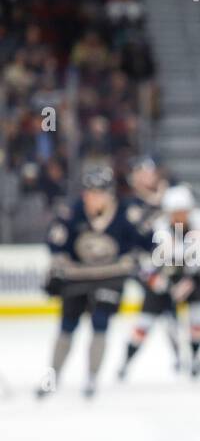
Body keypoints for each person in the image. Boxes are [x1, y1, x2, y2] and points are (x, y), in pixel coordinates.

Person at [37, 164, 156, 399]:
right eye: (90, 192)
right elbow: (55, 244)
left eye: (99, 192)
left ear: (110, 193)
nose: (94, 198)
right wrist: (58, 268)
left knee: (100, 323)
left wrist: (137, 259)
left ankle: (92, 378)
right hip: (77, 278)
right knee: (67, 326)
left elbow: (149, 242)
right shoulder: (71, 213)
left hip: (110, 278)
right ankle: (54, 375)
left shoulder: (127, 213)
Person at [119, 184, 200, 379]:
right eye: (176, 213)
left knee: (198, 316)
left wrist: (196, 278)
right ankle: (125, 363)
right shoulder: (157, 230)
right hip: (163, 281)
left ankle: (195, 359)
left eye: (184, 212)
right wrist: (158, 282)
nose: (180, 217)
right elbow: (142, 263)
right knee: (144, 323)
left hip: (191, 279)